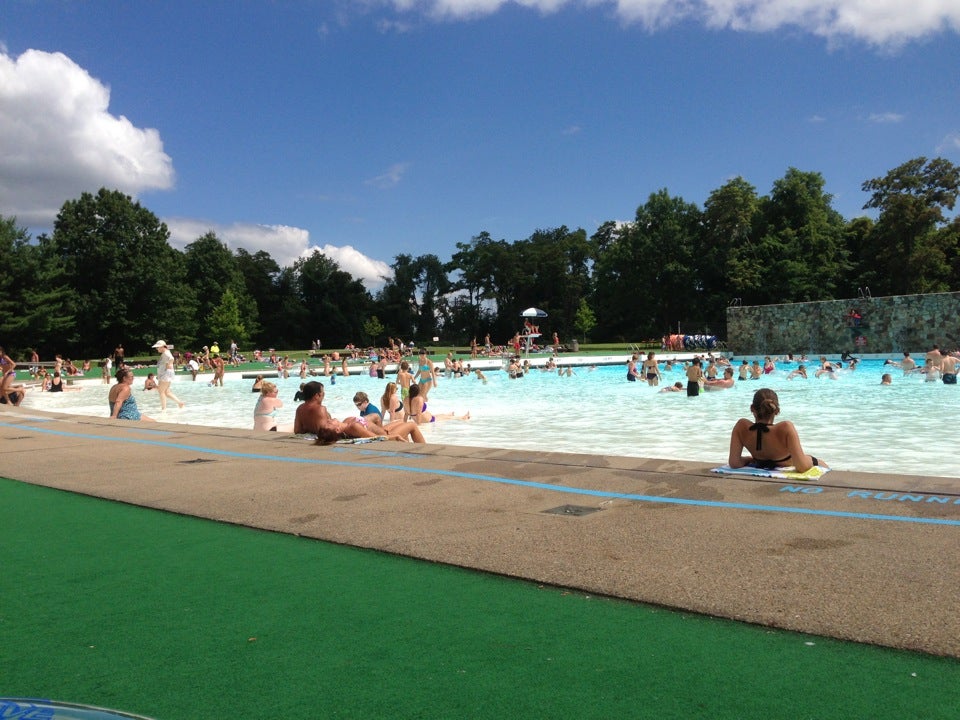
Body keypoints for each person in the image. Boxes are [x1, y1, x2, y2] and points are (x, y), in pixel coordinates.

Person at [728, 388, 825, 473]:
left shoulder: (741, 426)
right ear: (777, 410)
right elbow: (802, 467)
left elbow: (734, 463)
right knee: (820, 463)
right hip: (786, 464)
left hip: (759, 462)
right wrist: (813, 460)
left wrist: (749, 459)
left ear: (752, 408)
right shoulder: (785, 428)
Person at [313, 417, 425, 445]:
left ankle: (408, 448)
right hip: (387, 434)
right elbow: (373, 437)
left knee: (401, 420)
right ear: (337, 430)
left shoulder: (346, 422)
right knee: (412, 425)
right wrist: (394, 437)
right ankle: (426, 451)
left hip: (384, 430)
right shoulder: (353, 427)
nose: (328, 420)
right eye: (329, 424)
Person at [405, 383, 469, 424]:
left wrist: (404, 422)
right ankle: (462, 418)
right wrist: (419, 425)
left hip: (423, 418)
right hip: (426, 420)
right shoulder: (419, 399)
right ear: (418, 391)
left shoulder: (406, 399)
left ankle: (449, 414)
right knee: (446, 418)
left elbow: (406, 413)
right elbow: (418, 413)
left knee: (441, 415)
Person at [152, 340, 184, 410]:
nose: (157, 349)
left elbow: (171, 358)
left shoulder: (166, 353)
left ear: (162, 347)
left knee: (161, 391)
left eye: (158, 347)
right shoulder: (165, 352)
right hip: (166, 373)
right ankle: (179, 403)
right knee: (166, 392)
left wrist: (169, 364)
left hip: (165, 374)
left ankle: (164, 408)